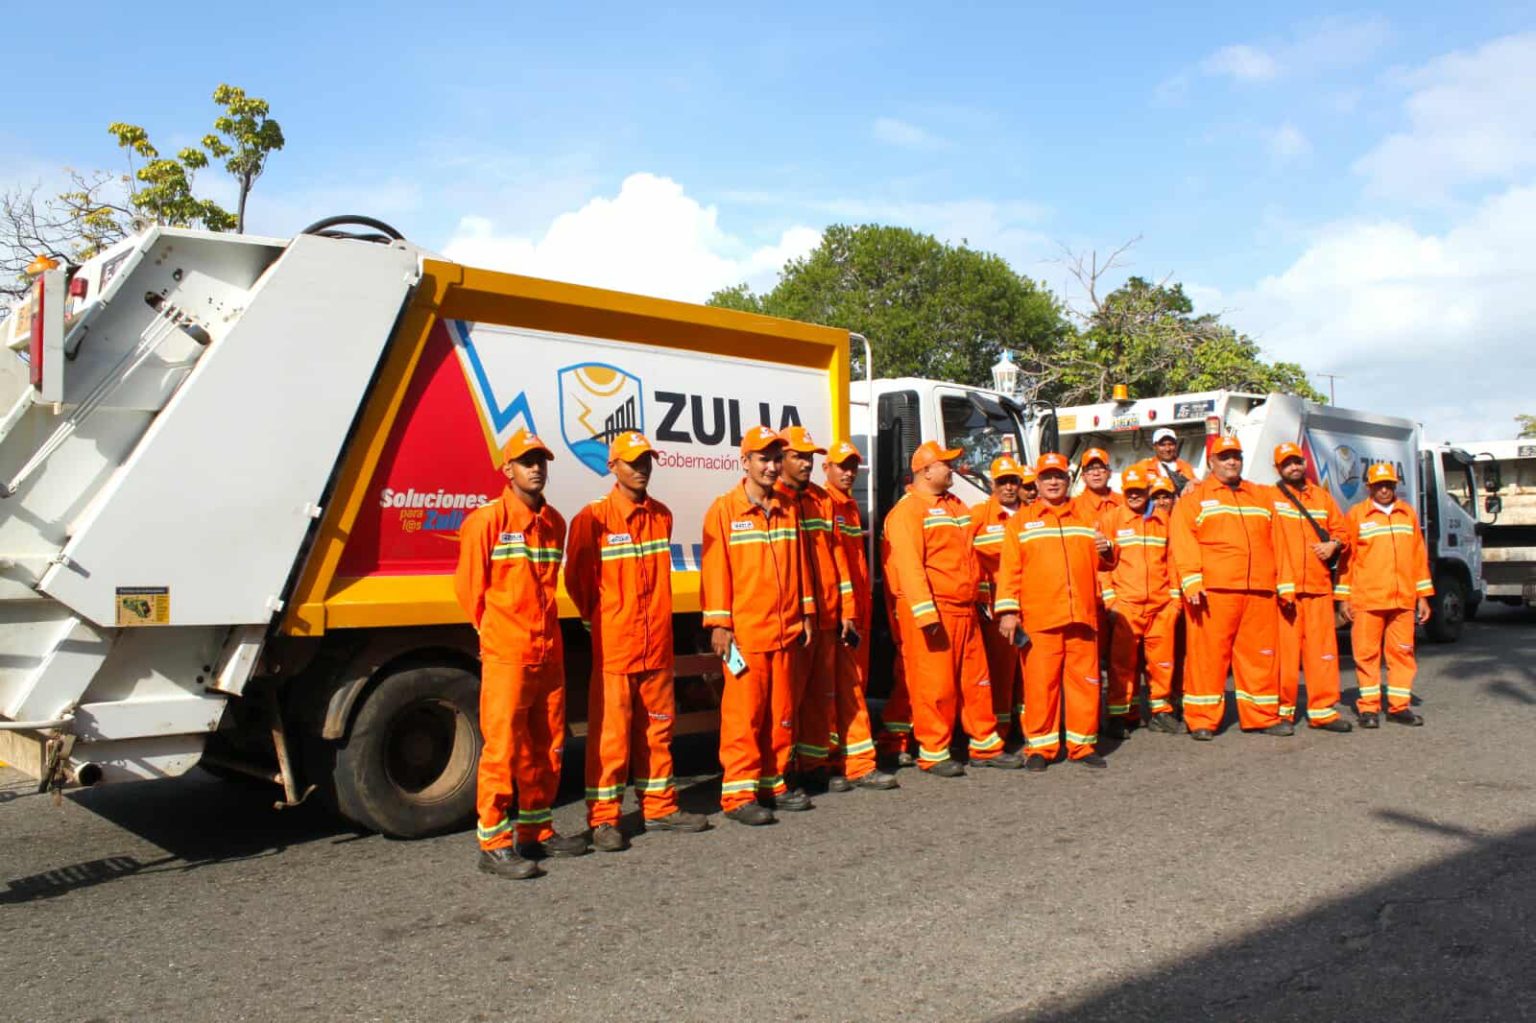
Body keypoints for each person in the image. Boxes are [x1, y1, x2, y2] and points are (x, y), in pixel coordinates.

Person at [565, 431, 710, 854]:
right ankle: (605, 819)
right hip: (617, 646)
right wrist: (603, 618)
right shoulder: (593, 519)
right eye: (632, 462)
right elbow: (578, 581)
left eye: (646, 460)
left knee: (658, 731)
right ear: (612, 467)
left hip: (656, 645)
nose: (642, 468)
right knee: (610, 739)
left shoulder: (661, 516)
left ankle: (660, 807)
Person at [455, 428, 588, 879]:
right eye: (527, 462)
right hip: (509, 654)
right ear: (507, 469)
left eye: (541, 461)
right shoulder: (486, 522)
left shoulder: (553, 522)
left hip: (547, 651)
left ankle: (536, 832)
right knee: (503, 750)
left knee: (546, 746)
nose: (536, 468)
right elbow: (470, 591)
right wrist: (496, 636)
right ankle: (493, 843)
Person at [884, 441, 1020, 775]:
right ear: (926, 470)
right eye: (945, 464)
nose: (952, 469)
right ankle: (934, 751)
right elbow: (910, 567)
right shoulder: (908, 511)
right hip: (936, 609)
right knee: (936, 685)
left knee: (976, 681)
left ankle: (985, 743)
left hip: (964, 608)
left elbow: (973, 556)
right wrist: (925, 614)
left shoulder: (956, 506)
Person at [701, 425, 815, 825]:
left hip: (784, 630)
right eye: (763, 459)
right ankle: (739, 793)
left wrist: (805, 613)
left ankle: (774, 781)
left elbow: (799, 564)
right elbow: (715, 571)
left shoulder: (785, 508)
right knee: (744, 716)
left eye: (774, 459)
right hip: (746, 635)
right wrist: (719, 623)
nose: (770, 466)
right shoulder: (725, 510)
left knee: (781, 712)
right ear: (744, 461)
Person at [1169, 435, 1296, 741]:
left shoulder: (1261, 496)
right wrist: (1192, 580)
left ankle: (1262, 716)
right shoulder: (1194, 499)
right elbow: (1182, 542)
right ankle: (1201, 719)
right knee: (1207, 658)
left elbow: (1280, 541)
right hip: (1214, 592)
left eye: (1236, 456)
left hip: (1259, 591)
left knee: (1261, 657)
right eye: (1224, 456)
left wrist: (1286, 585)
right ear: (1211, 462)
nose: (1231, 461)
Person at [996, 452, 1115, 769]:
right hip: (1040, 619)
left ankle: (1083, 745)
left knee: (1085, 684)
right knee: (1040, 686)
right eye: (1046, 476)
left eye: (1058, 476)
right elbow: (1009, 570)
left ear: (1067, 480)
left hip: (1082, 617)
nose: (1052, 481)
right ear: (1035, 482)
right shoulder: (1020, 522)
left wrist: (1109, 551)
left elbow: (1105, 560)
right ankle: (1040, 748)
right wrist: (1008, 611)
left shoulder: (1087, 518)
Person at [776, 426, 859, 792]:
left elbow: (837, 556)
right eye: (799, 456)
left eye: (810, 456)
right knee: (786, 701)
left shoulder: (821, 500)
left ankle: (813, 764)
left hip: (826, 615)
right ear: (782, 459)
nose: (807, 462)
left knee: (816, 698)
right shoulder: (774, 500)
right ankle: (782, 770)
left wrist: (847, 609)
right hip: (794, 619)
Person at [822, 440, 899, 790]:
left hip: (858, 613)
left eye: (853, 466)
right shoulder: (825, 505)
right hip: (844, 614)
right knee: (848, 691)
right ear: (828, 469)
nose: (849, 472)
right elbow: (833, 566)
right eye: (842, 465)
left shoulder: (849, 506)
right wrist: (846, 611)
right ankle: (856, 763)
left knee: (853, 688)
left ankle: (840, 758)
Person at [1338, 463, 1434, 728]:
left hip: (1403, 599)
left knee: (1402, 653)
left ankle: (1398, 707)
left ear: (1395, 486)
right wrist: (1344, 598)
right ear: (1369, 487)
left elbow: (1419, 557)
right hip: (1368, 599)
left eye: (1389, 485)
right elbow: (1348, 560)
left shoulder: (1407, 514)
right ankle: (1368, 709)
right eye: (1379, 485)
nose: (1384, 490)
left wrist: (1423, 596)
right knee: (1366, 655)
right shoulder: (1357, 515)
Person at [1270, 443, 1353, 733]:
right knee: (1285, 656)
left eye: (1297, 462)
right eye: (1287, 464)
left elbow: (1343, 532)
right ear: (1277, 469)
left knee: (1323, 654)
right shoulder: (1268, 497)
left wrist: (1334, 544)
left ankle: (1323, 711)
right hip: (1286, 591)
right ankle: (1282, 713)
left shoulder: (1322, 498)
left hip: (1318, 589)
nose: (1294, 467)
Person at [1098, 466, 1184, 737]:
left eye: (1139, 491)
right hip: (1126, 605)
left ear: (1149, 491)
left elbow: (1173, 561)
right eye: (1130, 492)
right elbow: (1101, 565)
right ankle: (1120, 716)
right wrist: (1111, 601)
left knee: (1162, 663)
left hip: (1160, 606)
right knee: (1121, 664)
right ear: (1124, 492)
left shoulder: (1163, 519)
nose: (1134, 496)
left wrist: (1175, 602)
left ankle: (1161, 712)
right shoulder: (1111, 519)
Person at [971, 454, 1030, 743]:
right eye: (1002, 482)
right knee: (1001, 670)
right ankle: (1002, 730)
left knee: (1030, 668)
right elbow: (966, 558)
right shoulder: (979, 515)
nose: (1008, 488)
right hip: (996, 604)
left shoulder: (1033, 515)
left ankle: (1030, 725)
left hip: (1032, 602)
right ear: (993, 484)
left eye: (1013, 482)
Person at [1072, 447, 1124, 523]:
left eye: (1101, 467)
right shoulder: (1073, 507)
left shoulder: (1124, 502)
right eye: (1090, 469)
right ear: (1083, 476)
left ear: (1110, 473)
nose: (1096, 473)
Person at [1148, 428, 1197, 495]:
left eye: (1171, 444)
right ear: (1154, 446)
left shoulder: (1185, 467)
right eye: (1162, 445)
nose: (1167, 449)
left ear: (1176, 445)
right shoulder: (1145, 467)